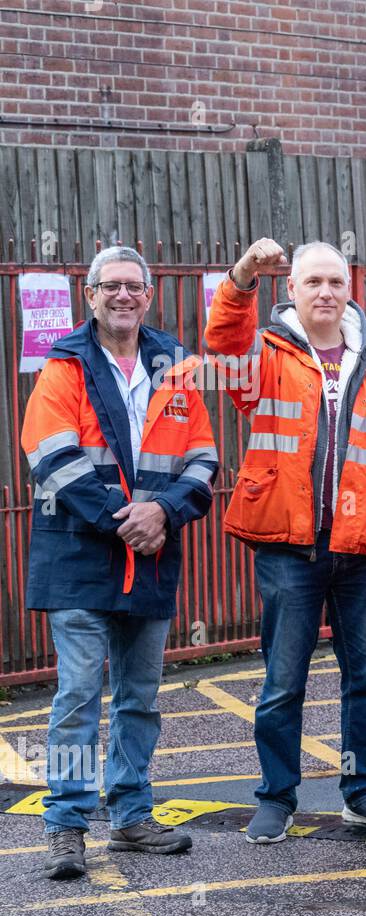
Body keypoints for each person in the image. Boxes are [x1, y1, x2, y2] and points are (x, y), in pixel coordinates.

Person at [205, 238, 366, 843]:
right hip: (287, 546)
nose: (325, 292)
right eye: (312, 283)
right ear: (291, 290)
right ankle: (276, 796)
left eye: (335, 282)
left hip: (364, 545)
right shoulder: (267, 356)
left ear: (349, 288)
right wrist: (242, 276)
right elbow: (222, 344)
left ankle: (362, 792)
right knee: (283, 681)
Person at [22, 245, 218, 878]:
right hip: (82, 558)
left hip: (153, 557)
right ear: (91, 295)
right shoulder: (64, 366)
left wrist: (163, 513)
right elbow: (51, 457)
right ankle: (66, 825)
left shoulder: (175, 368)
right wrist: (128, 520)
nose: (124, 296)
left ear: (150, 294)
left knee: (140, 698)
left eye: (135, 286)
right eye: (112, 286)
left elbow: (204, 460)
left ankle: (131, 817)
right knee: (78, 698)